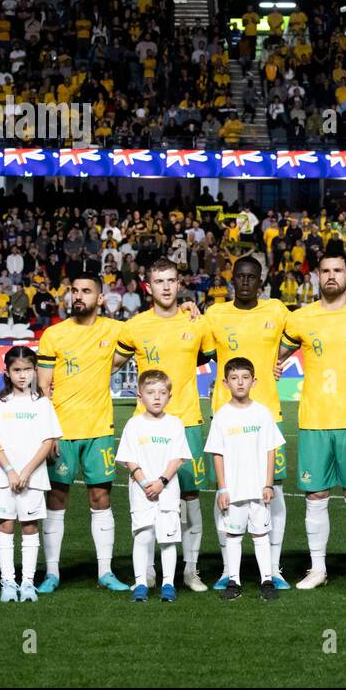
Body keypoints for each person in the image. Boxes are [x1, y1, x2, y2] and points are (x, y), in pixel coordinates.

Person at [276, 243, 346, 589]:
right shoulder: (300, 318)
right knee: (315, 496)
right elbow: (275, 351)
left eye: (338, 270)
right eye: (326, 271)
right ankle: (318, 569)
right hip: (314, 420)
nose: (332, 276)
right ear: (317, 276)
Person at [115, 259, 212, 591]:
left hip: (187, 420)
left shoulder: (196, 322)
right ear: (148, 286)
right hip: (146, 427)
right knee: (149, 498)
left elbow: (215, 358)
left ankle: (191, 570)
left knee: (190, 497)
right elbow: (108, 365)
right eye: (159, 281)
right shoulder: (134, 327)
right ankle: (150, 571)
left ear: (179, 283)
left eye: (172, 281)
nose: (166, 287)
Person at [199, 255, 291, 590]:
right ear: (232, 279)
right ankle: (228, 569)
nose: (246, 282)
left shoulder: (277, 311)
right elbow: (199, 350)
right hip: (225, 416)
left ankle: (274, 568)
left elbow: (304, 333)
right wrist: (188, 311)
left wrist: (279, 362)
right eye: (241, 276)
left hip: (267, 414)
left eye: (252, 277)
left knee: (274, 489)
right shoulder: (215, 314)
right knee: (225, 490)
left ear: (261, 280)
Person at [35, 273, 129, 594]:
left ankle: (105, 572)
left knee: (101, 498)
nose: (78, 296)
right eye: (74, 290)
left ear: (100, 298)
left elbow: (143, 334)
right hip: (62, 433)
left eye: (86, 291)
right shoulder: (53, 335)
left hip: (100, 430)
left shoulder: (116, 330)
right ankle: (51, 573)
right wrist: (47, 435)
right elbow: (42, 388)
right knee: (57, 498)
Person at [0, 346, 63, 603]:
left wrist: (28, 471)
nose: (22, 375)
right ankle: (8, 581)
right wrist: (10, 471)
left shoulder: (42, 404)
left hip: (34, 477)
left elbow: (48, 441)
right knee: (6, 525)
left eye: (27, 370)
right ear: (7, 372)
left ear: (34, 371)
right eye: (17, 370)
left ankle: (27, 582)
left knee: (29, 526)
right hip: (3, 477)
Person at [207, 357, 286, 602]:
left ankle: (267, 579)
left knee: (261, 535)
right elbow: (217, 453)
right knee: (233, 535)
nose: (240, 383)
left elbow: (270, 450)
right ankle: (234, 580)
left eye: (244, 377)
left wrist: (268, 483)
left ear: (254, 381)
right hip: (233, 490)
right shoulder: (221, 416)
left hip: (258, 488)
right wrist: (222, 489)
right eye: (234, 378)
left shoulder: (262, 413)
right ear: (225, 383)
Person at [116, 369, 192, 604]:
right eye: (150, 393)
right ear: (140, 396)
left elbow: (177, 458)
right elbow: (129, 458)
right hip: (141, 492)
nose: (156, 397)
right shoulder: (133, 425)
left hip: (167, 491)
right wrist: (144, 483)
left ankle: (168, 583)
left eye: (162, 393)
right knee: (143, 536)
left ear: (170, 396)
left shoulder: (175, 424)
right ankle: (141, 583)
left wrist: (161, 482)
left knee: (168, 538)